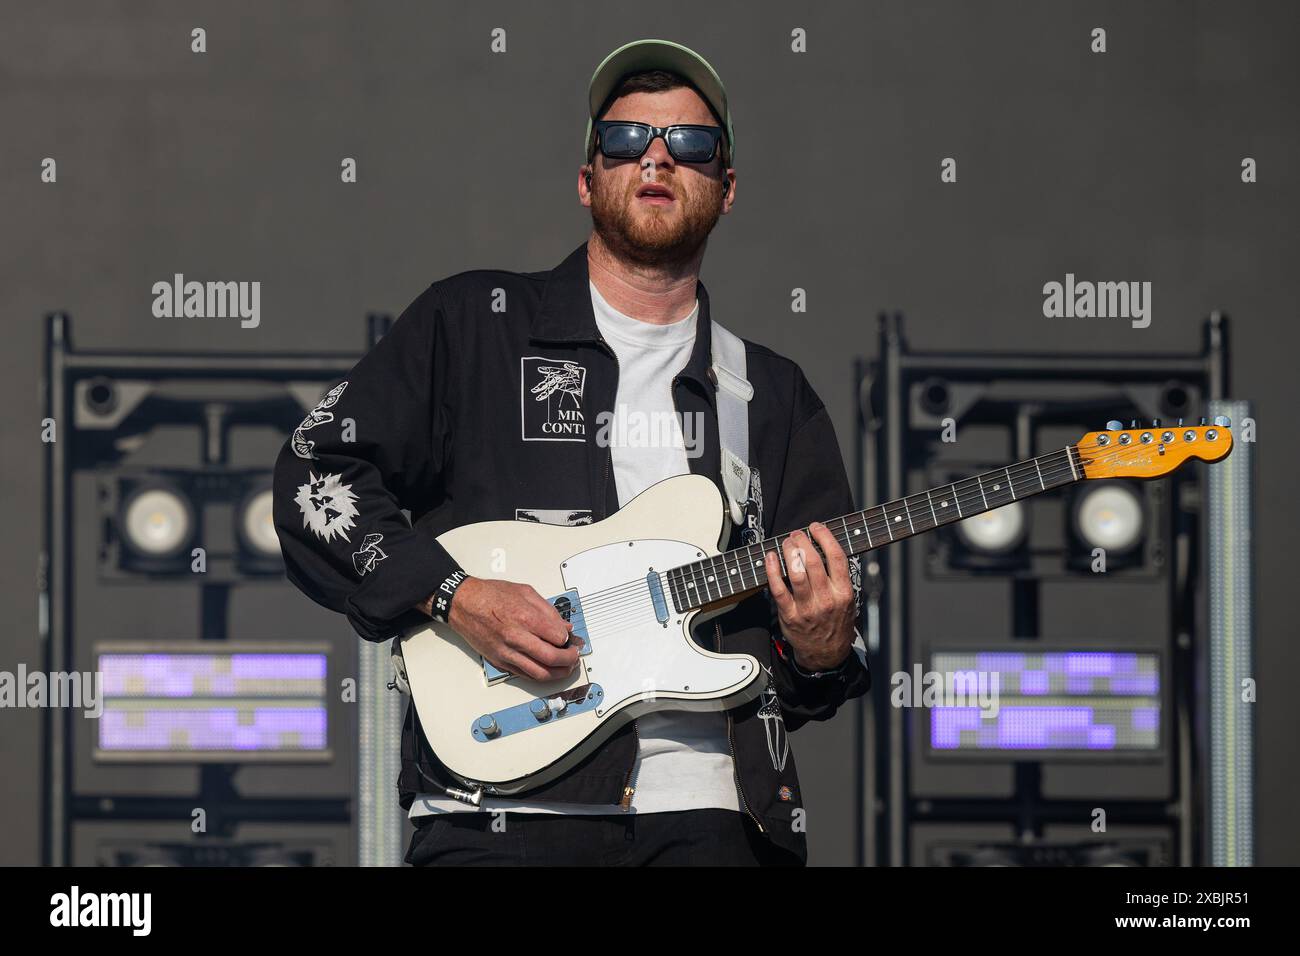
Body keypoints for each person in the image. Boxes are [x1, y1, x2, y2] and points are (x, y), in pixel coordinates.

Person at [273, 39, 869, 866]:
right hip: (498, 814)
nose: (656, 157)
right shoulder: (471, 326)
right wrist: (455, 595)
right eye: (626, 139)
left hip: (717, 820)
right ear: (587, 177)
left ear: (726, 190)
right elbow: (314, 472)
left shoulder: (769, 393)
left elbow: (819, 663)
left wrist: (821, 643)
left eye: (691, 145)